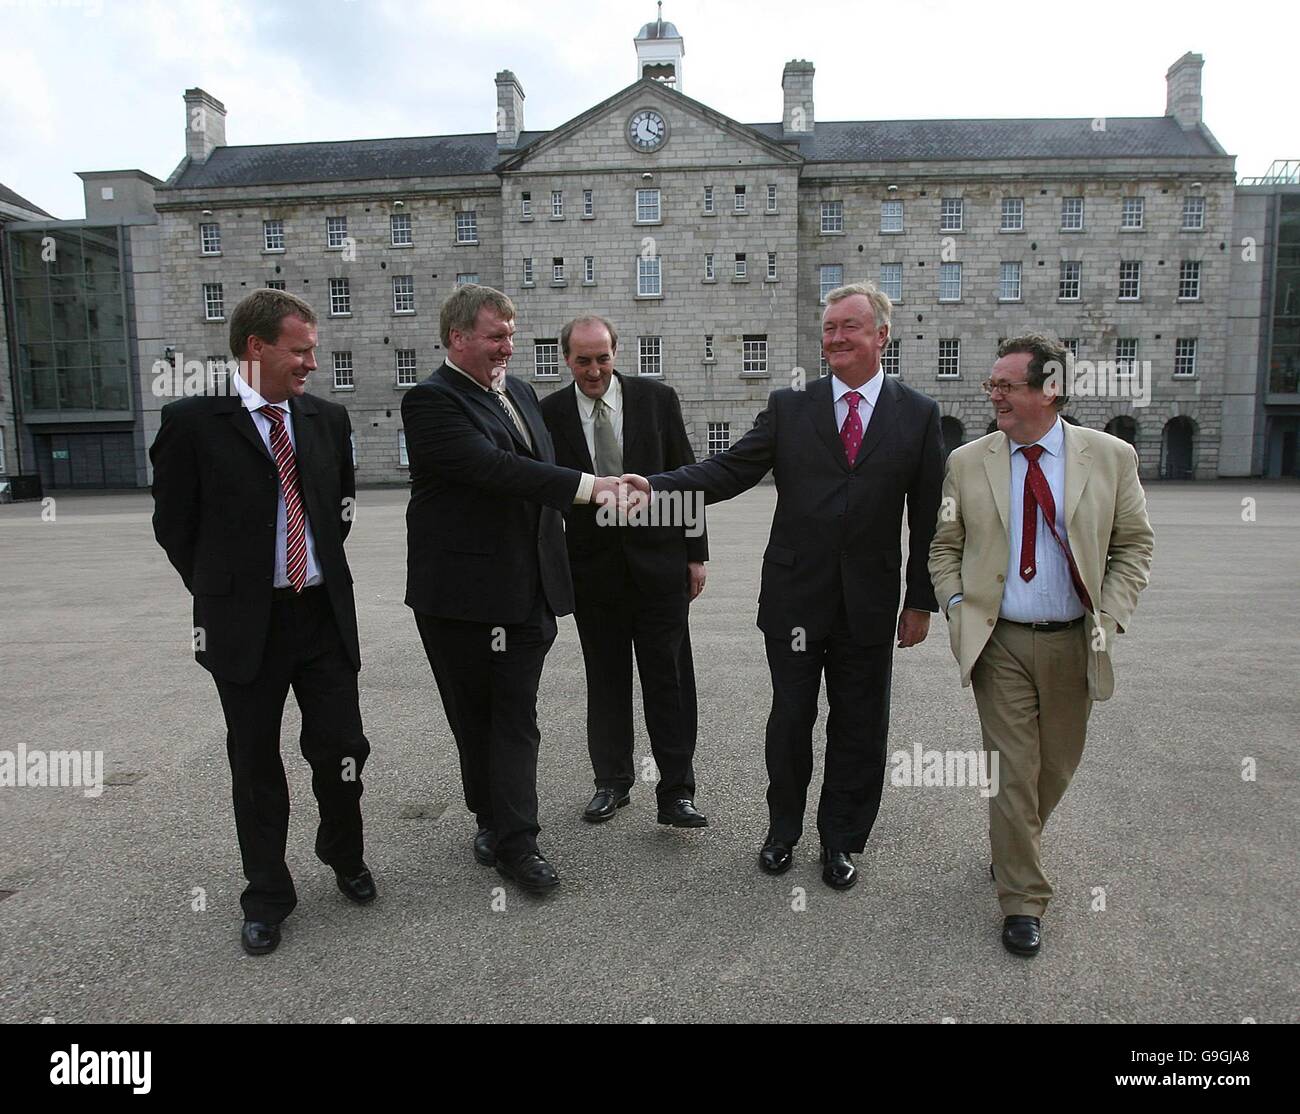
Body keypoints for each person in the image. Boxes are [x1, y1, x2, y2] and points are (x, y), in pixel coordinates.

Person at [623, 282, 943, 890]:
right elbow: (730, 469)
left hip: (870, 602)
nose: (836, 338)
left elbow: (928, 515)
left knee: (860, 724)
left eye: (850, 326)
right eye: (828, 328)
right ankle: (782, 831)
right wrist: (658, 486)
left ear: (881, 335)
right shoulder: (792, 404)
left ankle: (842, 841)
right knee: (791, 717)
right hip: (796, 596)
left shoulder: (918, 414)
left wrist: (920, 598)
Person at [150, 289, 374, 957]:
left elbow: (341, 507)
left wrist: (310, 568)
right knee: (255, 763)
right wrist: (226, 591)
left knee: (342, 750)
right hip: (245, 625)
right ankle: (268, 895)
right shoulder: (193, 421)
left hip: (321, 615)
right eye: (300, 349)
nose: (312, 361)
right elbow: (174, 526)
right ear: (256, 348)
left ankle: (343, 852)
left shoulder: (326, 418)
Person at [928, 334, 1153, 957]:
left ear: (1048, 389)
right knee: (1010, 773)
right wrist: (955, 606)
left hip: (1074, 641)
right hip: (999, 643)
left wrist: (1111, 614)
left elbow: (1134, 545)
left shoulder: (1110, 458)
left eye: (1006, 385)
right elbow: (944, 547)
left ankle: (1010, 847)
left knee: (1052, 769)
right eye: (991, 384)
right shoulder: (967, 462)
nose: (993, 394)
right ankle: (1023, 899)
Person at [402, 285, 622, 893]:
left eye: (512, 333)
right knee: (473, 720)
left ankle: (517, 843)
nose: (509, 345)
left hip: (529, 592)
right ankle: (491, 818)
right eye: (496, 335)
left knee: (515, 717)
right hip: (461, 598)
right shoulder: (430, 402)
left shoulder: (520, 393)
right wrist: (593, 486)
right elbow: (494, 471)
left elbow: (534, 484)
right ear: (458, 338)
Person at [540, 315, 709, 829]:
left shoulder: (657, 400)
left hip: (660, 568)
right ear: (566, 359)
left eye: (603, 358)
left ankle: (676, 791)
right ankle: (612, 783)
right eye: (583, 360)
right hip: (593, 574)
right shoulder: (548, 413)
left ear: (616, 353)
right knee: (606, 680)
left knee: (670, 682)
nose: (594, 370)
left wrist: (695, 553)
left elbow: (686, 473)